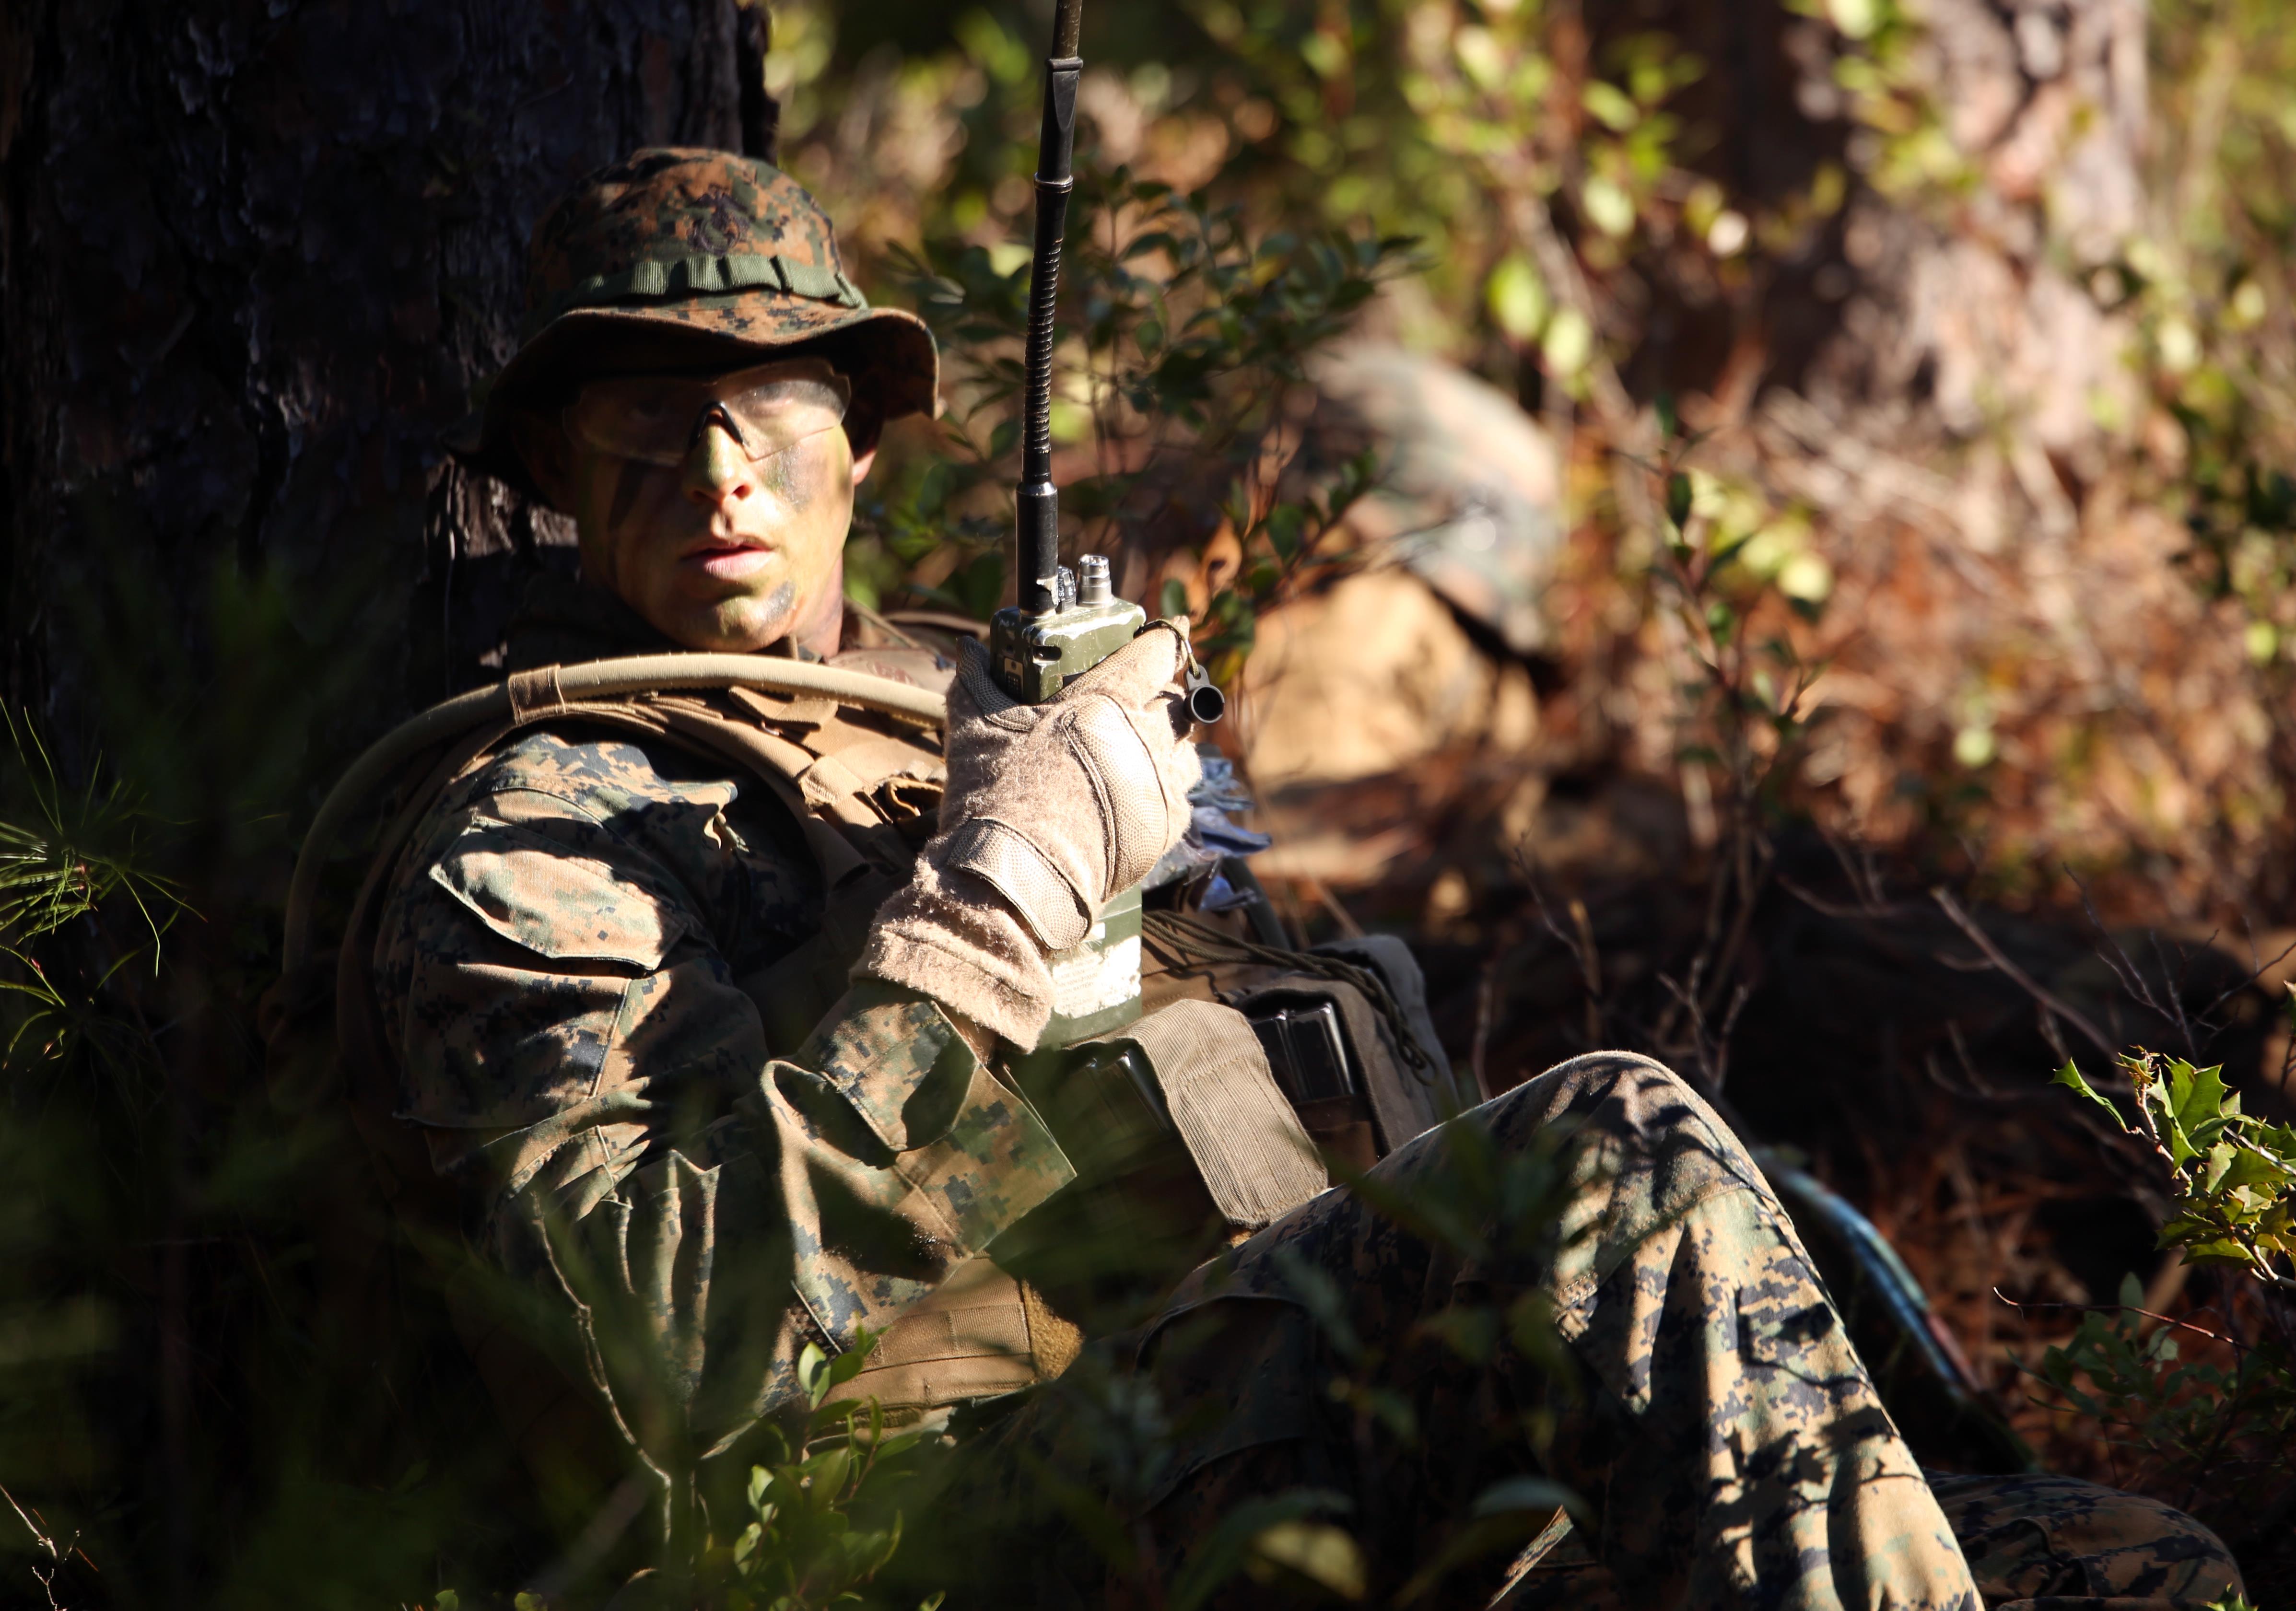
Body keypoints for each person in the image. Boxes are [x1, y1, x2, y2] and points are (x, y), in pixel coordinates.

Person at [339, 147, 2243, 1608]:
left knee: (2130, 1564)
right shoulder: (545, 828)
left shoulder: (985, 705)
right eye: (640, 414)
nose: (715, 461)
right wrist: (994, 906)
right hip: (945, 1525)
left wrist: (1199, 915)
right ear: (560, 473)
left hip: (1299, 1434)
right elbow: (666, 1346)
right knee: (1609, 1144)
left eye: (768, 394)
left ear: (862, 433)